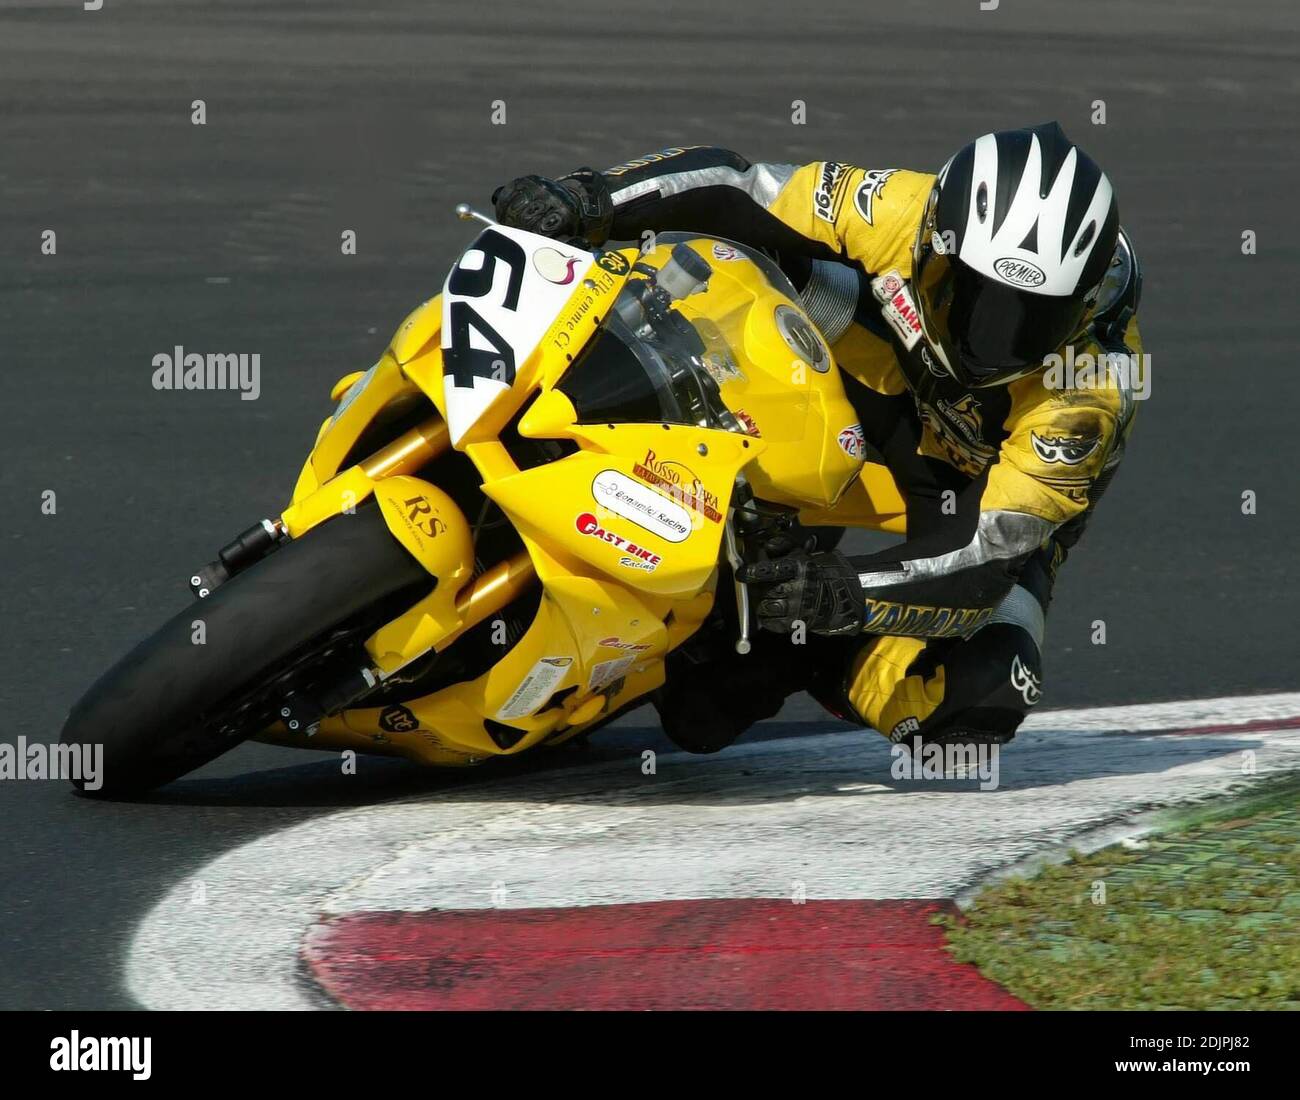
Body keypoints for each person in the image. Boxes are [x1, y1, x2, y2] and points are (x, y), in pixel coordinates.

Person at [491, 122, 1144, 752]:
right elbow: (740, 188)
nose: (988, 340)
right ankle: (597, 395)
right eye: (968, 295)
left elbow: (987, 554)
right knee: (775, 257)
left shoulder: (1090, 391)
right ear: (935, 238)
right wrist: (586, 197)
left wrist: (844, 590)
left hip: (972, 490)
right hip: (877, 379)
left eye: (1030, 321)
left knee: (982, 693)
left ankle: (785, 640)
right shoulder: (900, 206)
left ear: (1081, 307)